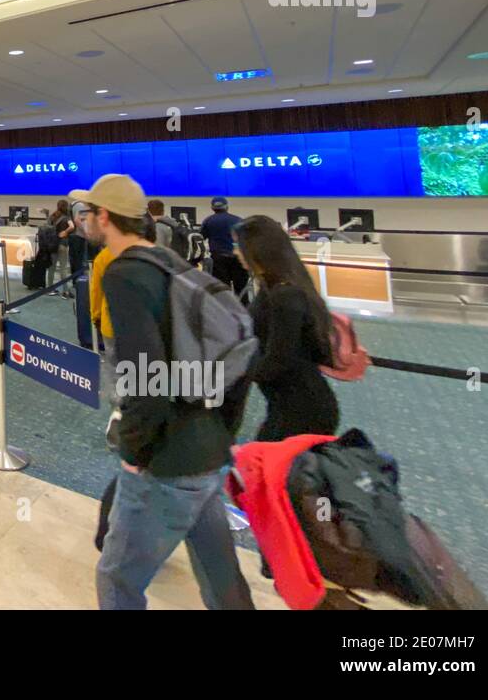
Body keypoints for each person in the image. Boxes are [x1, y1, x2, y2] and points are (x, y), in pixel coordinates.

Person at [71, 174, 254, 611]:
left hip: (168, 458)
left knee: (117, 579)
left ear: (104, 217)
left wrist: (134, 455)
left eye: (89, 213)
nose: (84, 222)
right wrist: (222, 431)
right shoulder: (169, 263)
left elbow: (144, 375)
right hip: (208, 446)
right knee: (220, 576)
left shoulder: (125, 274)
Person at [233, 215, 340, 442]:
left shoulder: (285, 295)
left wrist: (237, 370)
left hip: (301, 409)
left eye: (239, 247)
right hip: (286, 403)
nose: (236, 252)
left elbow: (279, 360)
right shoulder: (273, 288)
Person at [202, 197, 247, 297]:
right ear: (226, 207)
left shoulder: (208, 221)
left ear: (212, 208)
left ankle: (224, 310)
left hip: (219, 259)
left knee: (222, 291)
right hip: (238, 259)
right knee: (241, 289)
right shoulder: (238, 220)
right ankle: (243, 309)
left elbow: (201, 238)